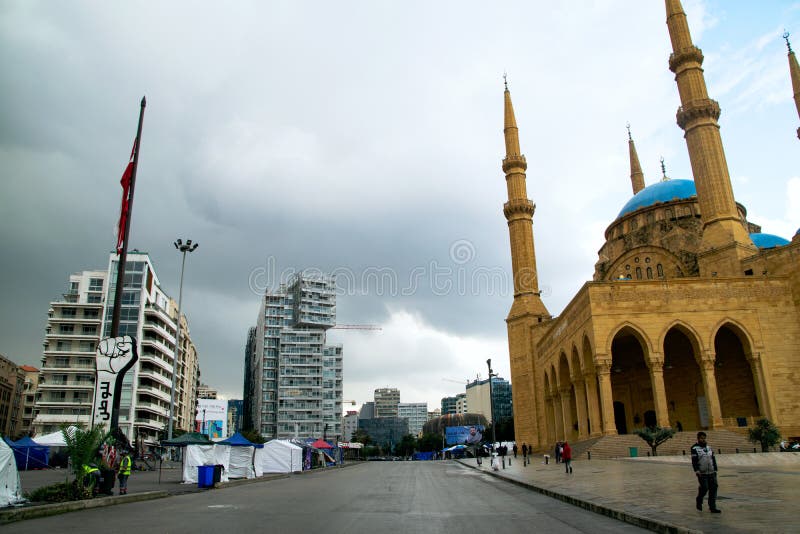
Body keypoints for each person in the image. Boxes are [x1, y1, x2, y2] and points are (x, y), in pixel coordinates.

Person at [691, 431, 721, 513]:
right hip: (702, 473)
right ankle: (699, 499)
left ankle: (712, 507)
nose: (703, 440)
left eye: (704, 438)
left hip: (711, 472)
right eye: (701, 438)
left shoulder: (709, 448)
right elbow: (694, 461)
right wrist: (696, 470)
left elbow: (713, 458)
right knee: (704, 488)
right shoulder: (694, 448)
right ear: (698, 438)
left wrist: (715, 469)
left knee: (713, 488)